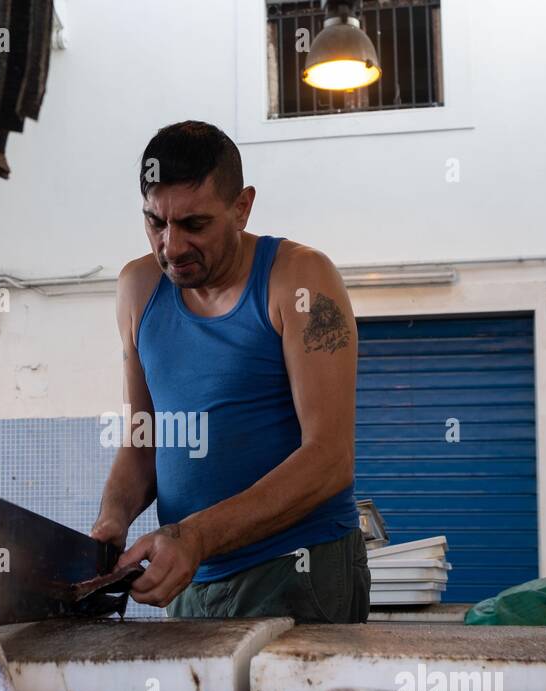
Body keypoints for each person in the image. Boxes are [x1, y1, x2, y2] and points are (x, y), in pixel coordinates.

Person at [93, 120, 370, 623]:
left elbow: (330, 459)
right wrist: (109, 524)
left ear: (242, 207)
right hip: (188, 580)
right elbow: (145, 437)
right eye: (156, 222)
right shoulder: (138, 288)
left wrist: (196, 535)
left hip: (297, 570)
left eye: (194, 225)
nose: (171, 246)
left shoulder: (301, 279)